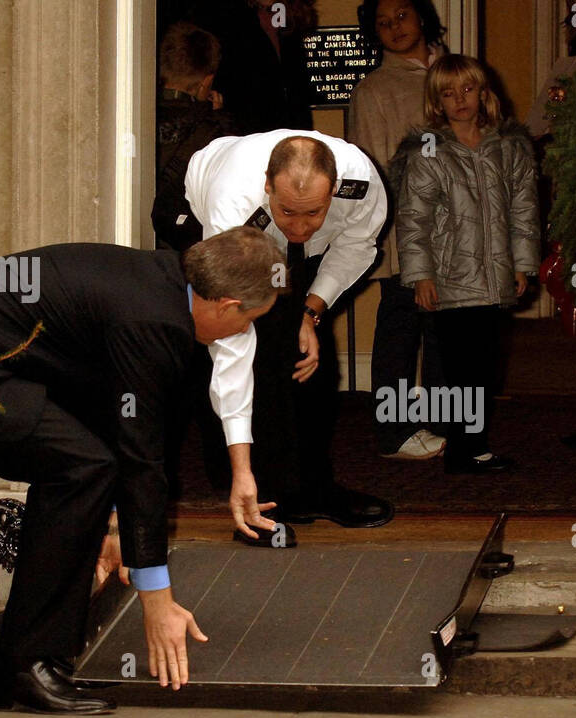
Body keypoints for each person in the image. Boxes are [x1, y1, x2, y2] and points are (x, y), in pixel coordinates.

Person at [0, 229, 286, 712]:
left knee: (84, 466)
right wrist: (156, 599)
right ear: (226, 304)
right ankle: (25, 666)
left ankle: (31, 661)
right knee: (80, 468)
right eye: (249, 321)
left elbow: (106, 416)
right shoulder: (156, 320)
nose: (243, 333)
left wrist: (109, 525)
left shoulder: (159, 280)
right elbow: (142, 459)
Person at [185, 131, 393, 535]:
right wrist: (241, 465)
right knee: (260, 359)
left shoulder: (362, 184)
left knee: (312, 360)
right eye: (288, 212)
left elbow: (356, 246)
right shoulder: (232, 200)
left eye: (314, 212)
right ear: (267, 187)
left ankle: (314, 487)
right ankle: (255, 493)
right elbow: (231, 350)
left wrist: (309, 313)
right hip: (232, 237)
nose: (300, 226)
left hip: (307, 259)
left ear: (333, 190)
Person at [392, 54, 541, 474]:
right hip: (451, 279)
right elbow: (413, 218)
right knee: (457, 370)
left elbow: (524, 210)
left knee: (485, 367)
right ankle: (463, 449)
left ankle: (473, 446)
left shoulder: (507, 147)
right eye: (448, 93)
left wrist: (522, 264)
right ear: (437, 101)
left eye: (467, 89)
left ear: (483, 92)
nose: (459, 100)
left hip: (493, 279)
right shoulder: (429, 152)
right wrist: (419, 274)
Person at [351, 0, 449, 461]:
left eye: (401, 16)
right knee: (400, 327)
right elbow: (374, 168)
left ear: (422, 16)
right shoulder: (375, 89)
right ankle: (393, 433)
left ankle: (437, 419)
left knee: (443, 329)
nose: (393, 28)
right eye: (383, 23)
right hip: (409, 229)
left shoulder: (453, 72)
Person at [152, 21, 239, 252]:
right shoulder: (214, 129)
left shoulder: (136, 114)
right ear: (206, 82)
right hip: (186, 246)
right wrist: (220, 117)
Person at [187, 0, 318, 134]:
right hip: (241, 129)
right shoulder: (219, 14)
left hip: (291, 131)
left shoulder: (291, 13)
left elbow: (296, 82)